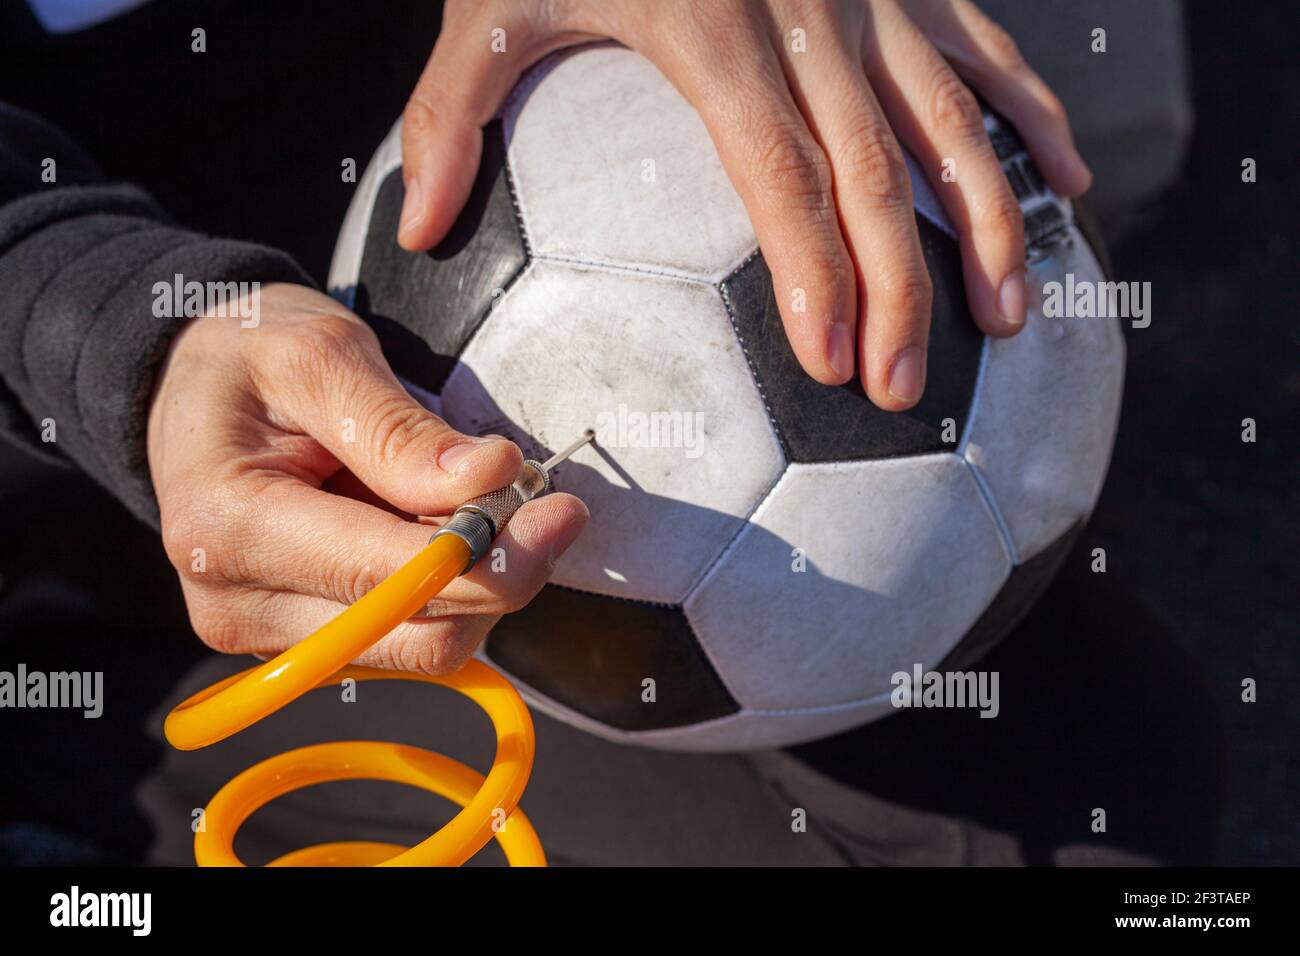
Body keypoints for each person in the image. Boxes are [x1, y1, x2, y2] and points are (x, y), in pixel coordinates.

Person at [0, 0, 1203, 865]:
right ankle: (91, 763)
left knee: (1101, 767)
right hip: (72, 361)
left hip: (464, 87)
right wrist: (111, 325)